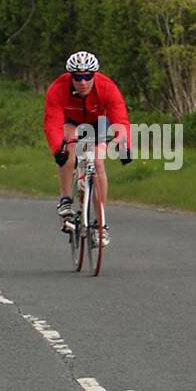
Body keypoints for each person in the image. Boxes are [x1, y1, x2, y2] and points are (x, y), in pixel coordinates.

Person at [43, 50, 130, 247]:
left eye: (88, 76)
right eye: (78, 77)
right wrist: (58, 150)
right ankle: (66, 200)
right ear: (70, 76)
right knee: (69, 154)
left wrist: (125, 147)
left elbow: (120, 118)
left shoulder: (107, 87)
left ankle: (101, 225)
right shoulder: (58, 88)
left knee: (98, 162)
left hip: (98, 122)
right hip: (71, 122)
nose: (83, 82)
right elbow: (52, 123)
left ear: (94, 75)